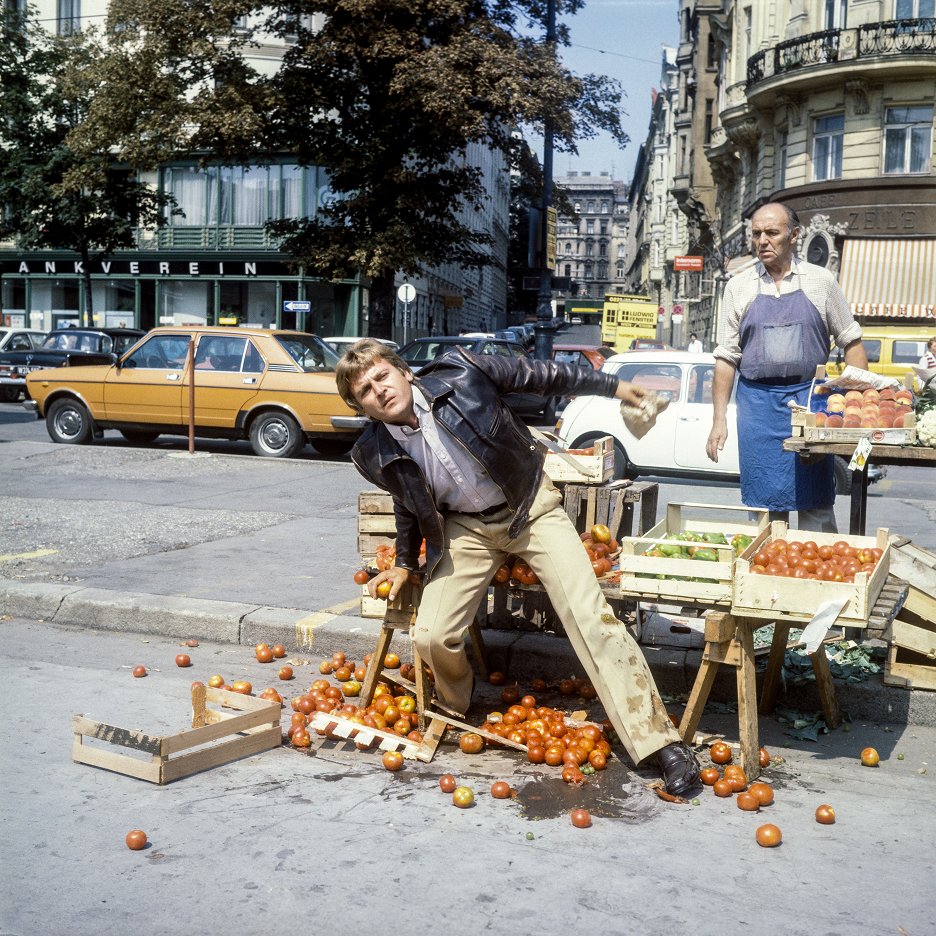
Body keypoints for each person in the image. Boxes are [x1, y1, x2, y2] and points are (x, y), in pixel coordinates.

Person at [336, 340, 701, 796]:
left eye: (382, 376)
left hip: (530, 509)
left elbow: (549, 375)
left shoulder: (462, 373)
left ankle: (660, 744)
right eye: (366, 390)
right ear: (363, 407)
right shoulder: (372, 450)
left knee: (592, 620)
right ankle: (455, 704)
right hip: (467, 530)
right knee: (431, 635)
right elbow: (405, 501)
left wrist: (616, 387)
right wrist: (406, 563)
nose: (379, 390)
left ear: (404, 372)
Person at [705, 202, 867, 532]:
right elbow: (726, 358)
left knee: (815, 504)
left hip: (811, 404)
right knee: (765, 509)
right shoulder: (738, 286)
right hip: (757, 408)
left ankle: (821, 576)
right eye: (756, 234)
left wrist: (856, 407)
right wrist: (718, 421)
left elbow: (852, 343)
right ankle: (765, 575)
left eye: (771, 233)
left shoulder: (822, 282)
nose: (762, 240)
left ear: (794, 236)